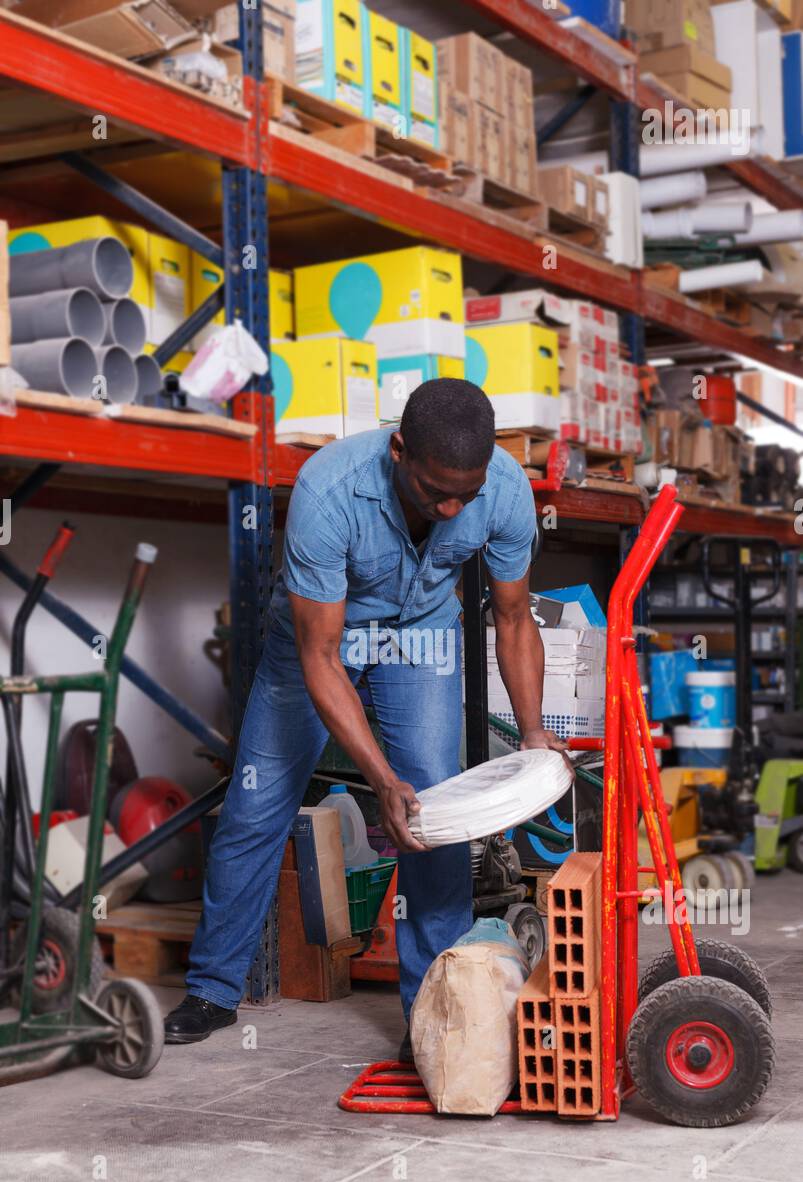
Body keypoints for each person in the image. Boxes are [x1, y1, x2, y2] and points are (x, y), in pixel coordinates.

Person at [164, 378, 566, 1058]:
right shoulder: (327, 491)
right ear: (398, 450)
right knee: (254, 808)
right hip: (318, 643)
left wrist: (530, 733)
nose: (449, 507)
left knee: (433, 813)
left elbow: (511, 617)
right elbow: (321, 656)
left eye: (463, 496)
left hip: (423, 639)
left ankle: (431, 1014)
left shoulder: (502, 489)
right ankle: (212, 988)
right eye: (435, 489)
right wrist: (378, 778)